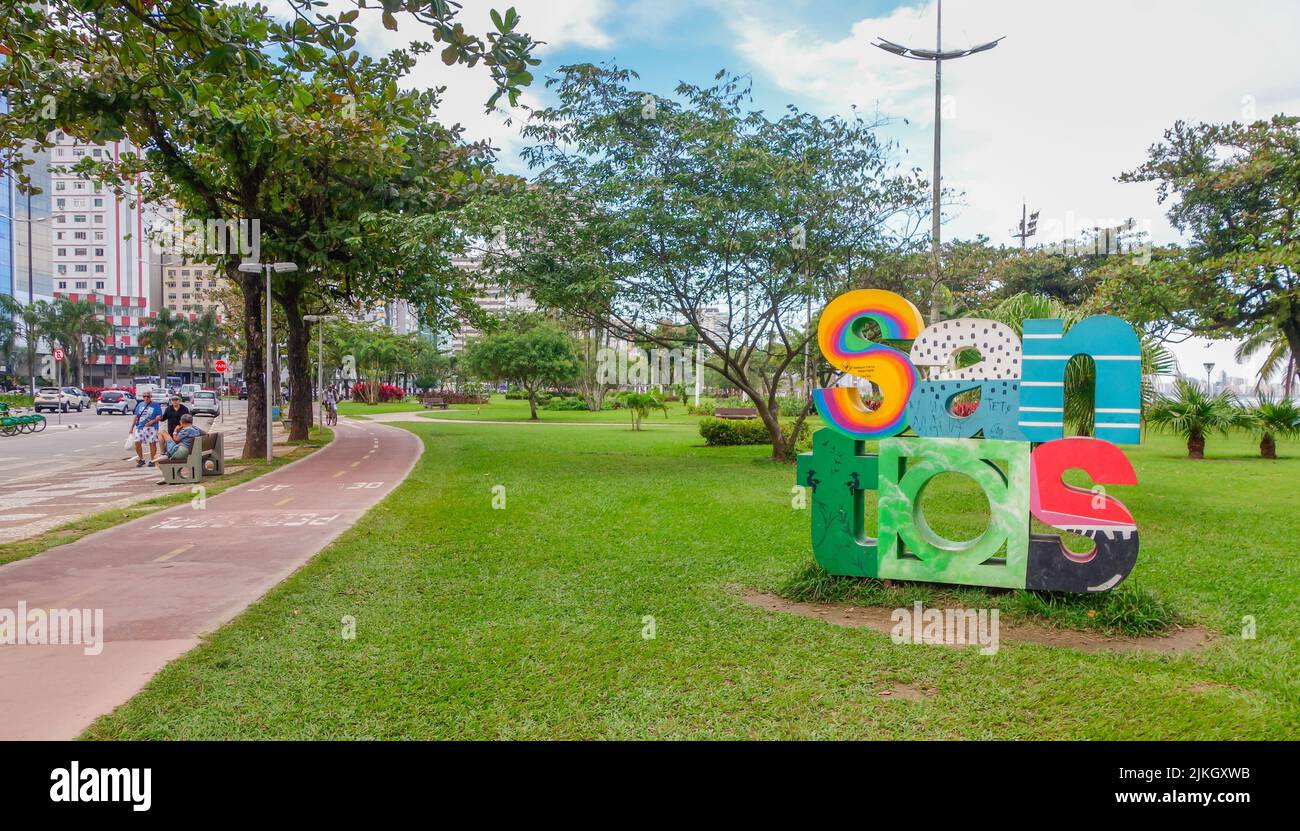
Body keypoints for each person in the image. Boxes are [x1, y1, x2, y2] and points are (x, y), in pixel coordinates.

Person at [128, 391, 165, 467]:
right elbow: (136, 416)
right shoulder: (140, 405)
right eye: (144, 396)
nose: (146, 398)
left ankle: (153, 460)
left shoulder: (156, 405)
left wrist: (152, 421)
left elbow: (159, 417)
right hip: (140, 427)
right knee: (137, 442)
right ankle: (141, 459)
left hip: (152, 427)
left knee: (152, 443)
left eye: (148, 396)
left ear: (151, 397)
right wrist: (132, 427)